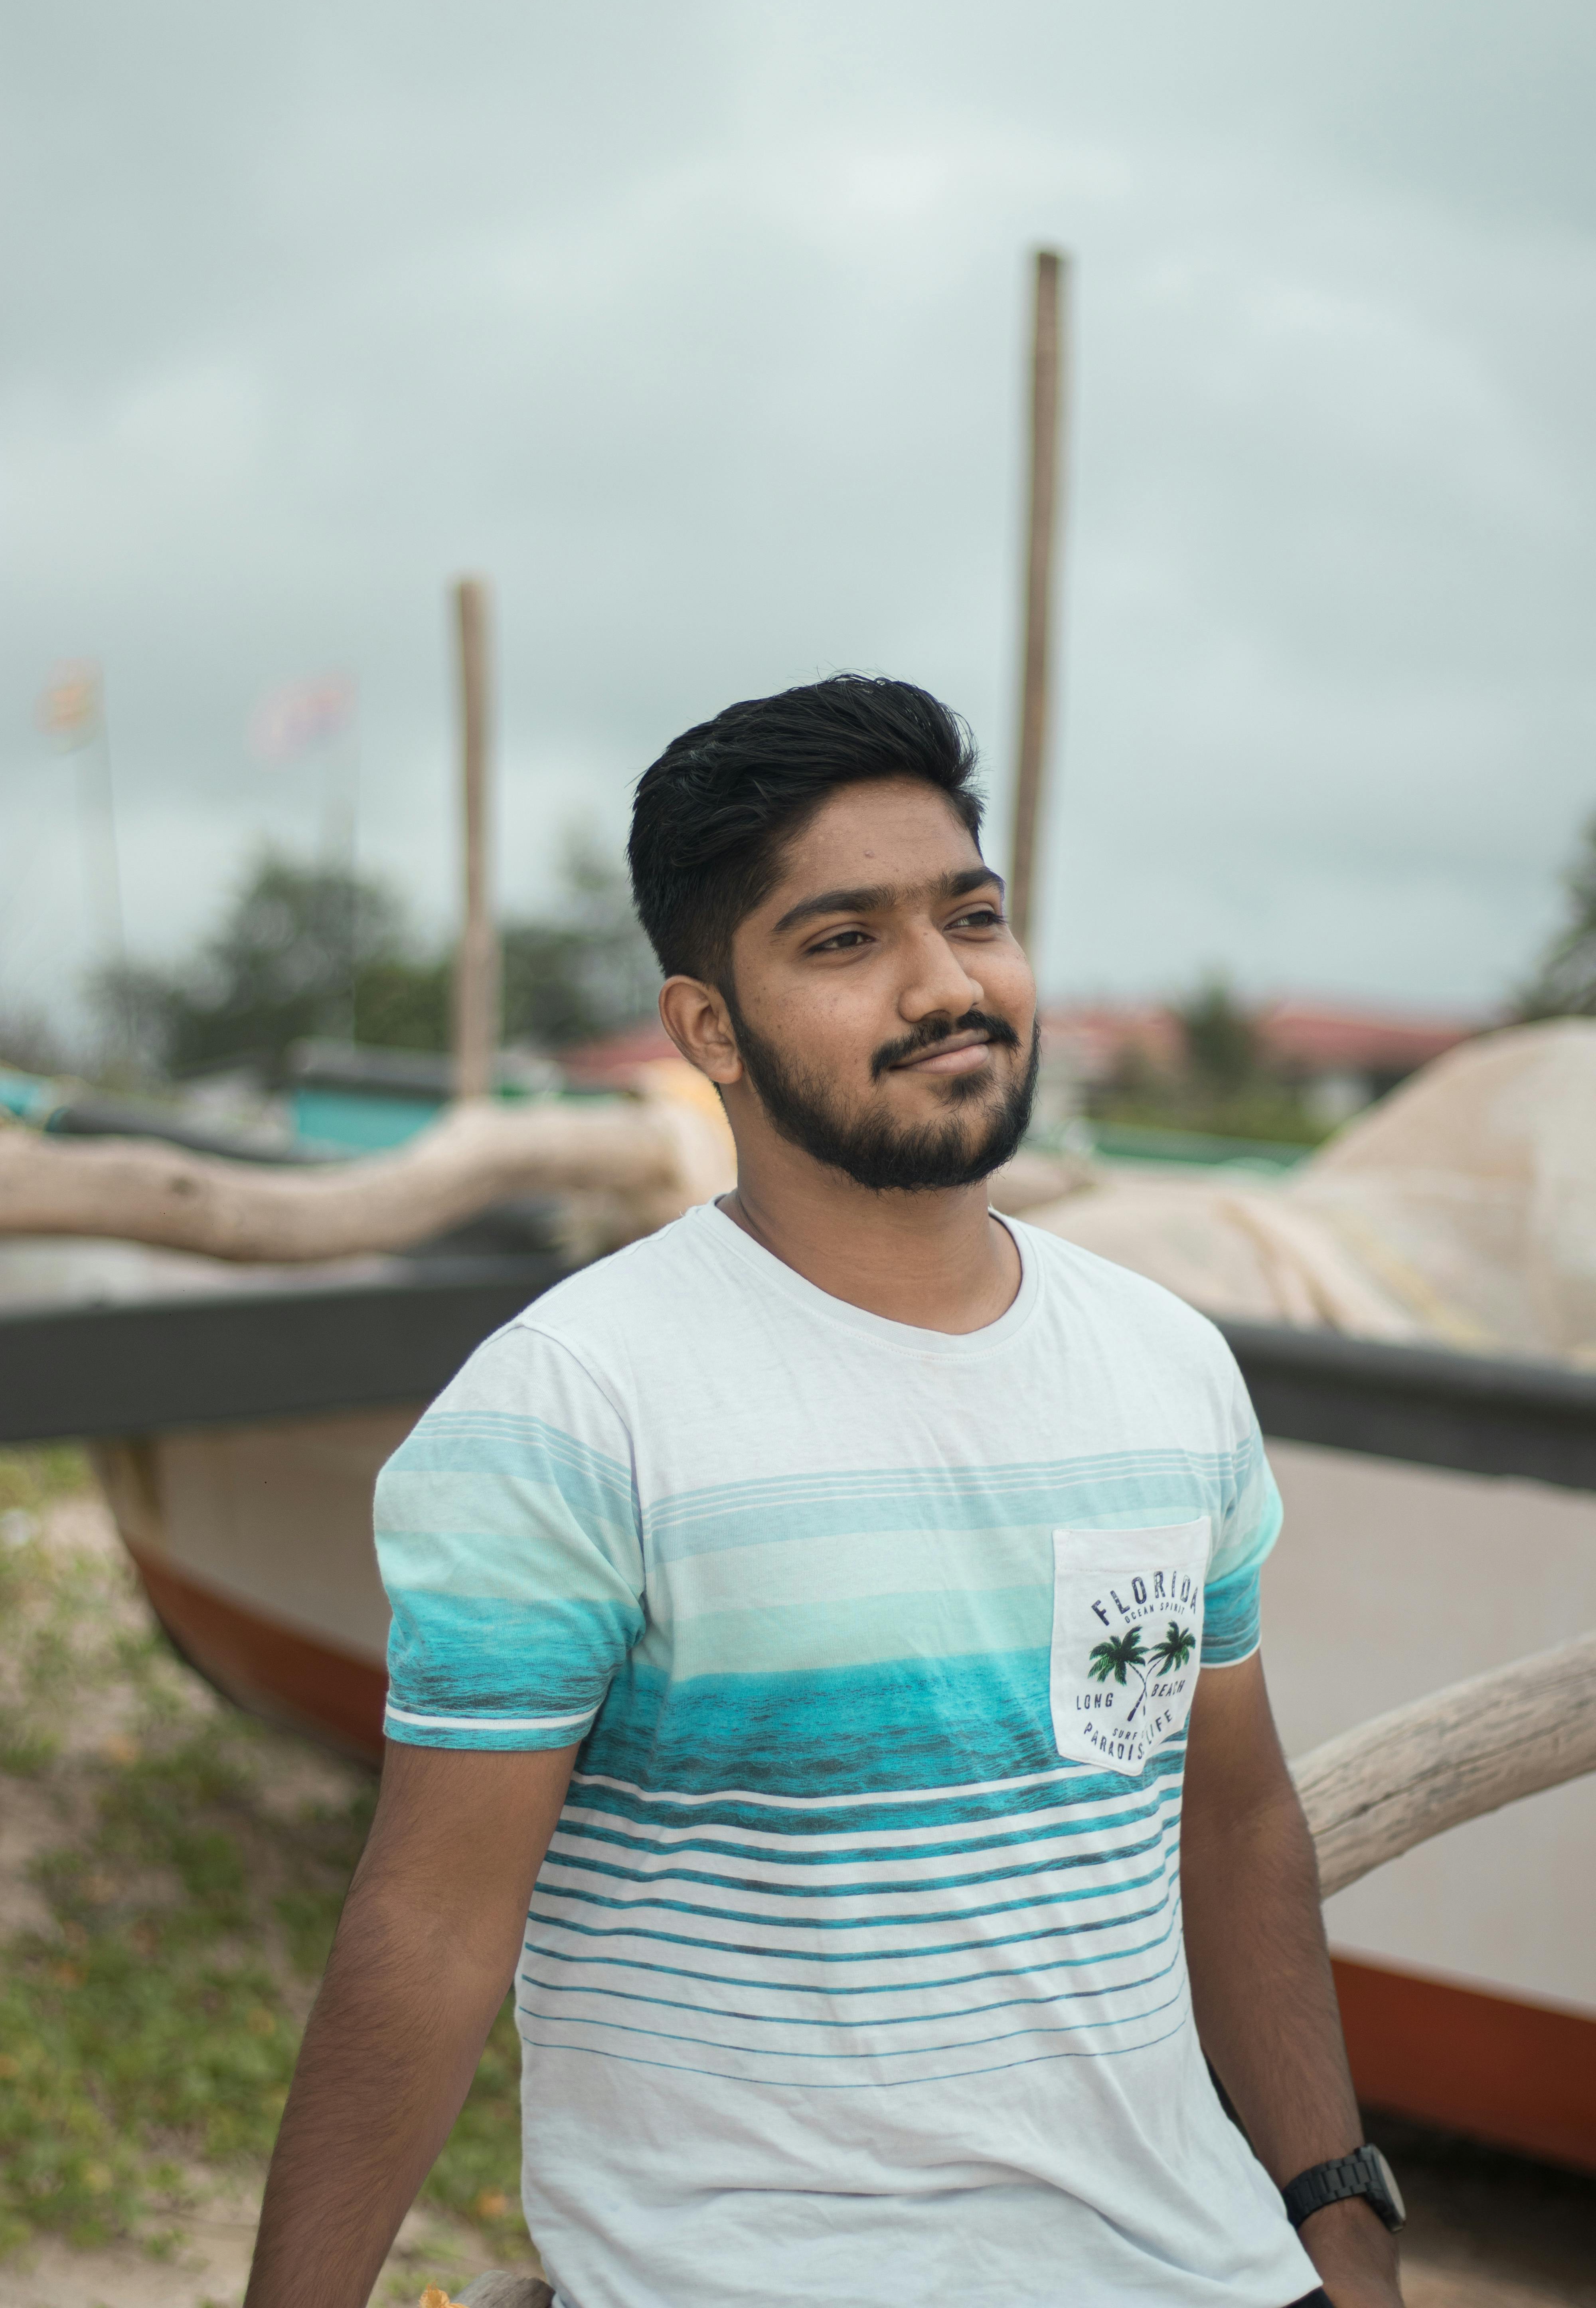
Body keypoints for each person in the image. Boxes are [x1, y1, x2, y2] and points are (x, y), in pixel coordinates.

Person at [245, 676, 1404, 2308]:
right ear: (708, 1025)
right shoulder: (575, 1405)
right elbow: (428, 1937)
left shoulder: (1165, 1368)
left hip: (1201, 2271)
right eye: (843, 940)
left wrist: (1337, 2215)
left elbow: (1232, 1816)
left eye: (971, 916)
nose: (945, 985)